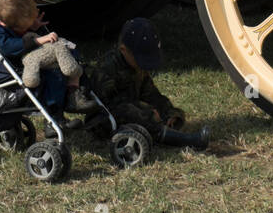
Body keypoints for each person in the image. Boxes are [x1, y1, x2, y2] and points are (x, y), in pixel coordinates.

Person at [89, 17, 210, 149]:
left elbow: (151, 94)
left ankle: (166, 129)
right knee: (144, 117)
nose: (144, 65)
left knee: (164, 112)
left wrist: (168, 112)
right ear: (123, 50)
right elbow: (108, 105)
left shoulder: (137, 68)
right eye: (141, 58)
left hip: (132, 112)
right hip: (106, 120)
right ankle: (189, 141)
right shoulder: (107, 68)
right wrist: (146, 111)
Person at [0, 0, 95, 114]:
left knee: (70, 51)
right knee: (53, 73)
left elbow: (24, 29)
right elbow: (8, 47)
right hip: (22, 59)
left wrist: (34, 27)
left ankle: (76, 92)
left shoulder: (13, 17)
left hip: (38, 51)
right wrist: (37, 40)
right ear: (12, 26)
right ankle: (56, 112)